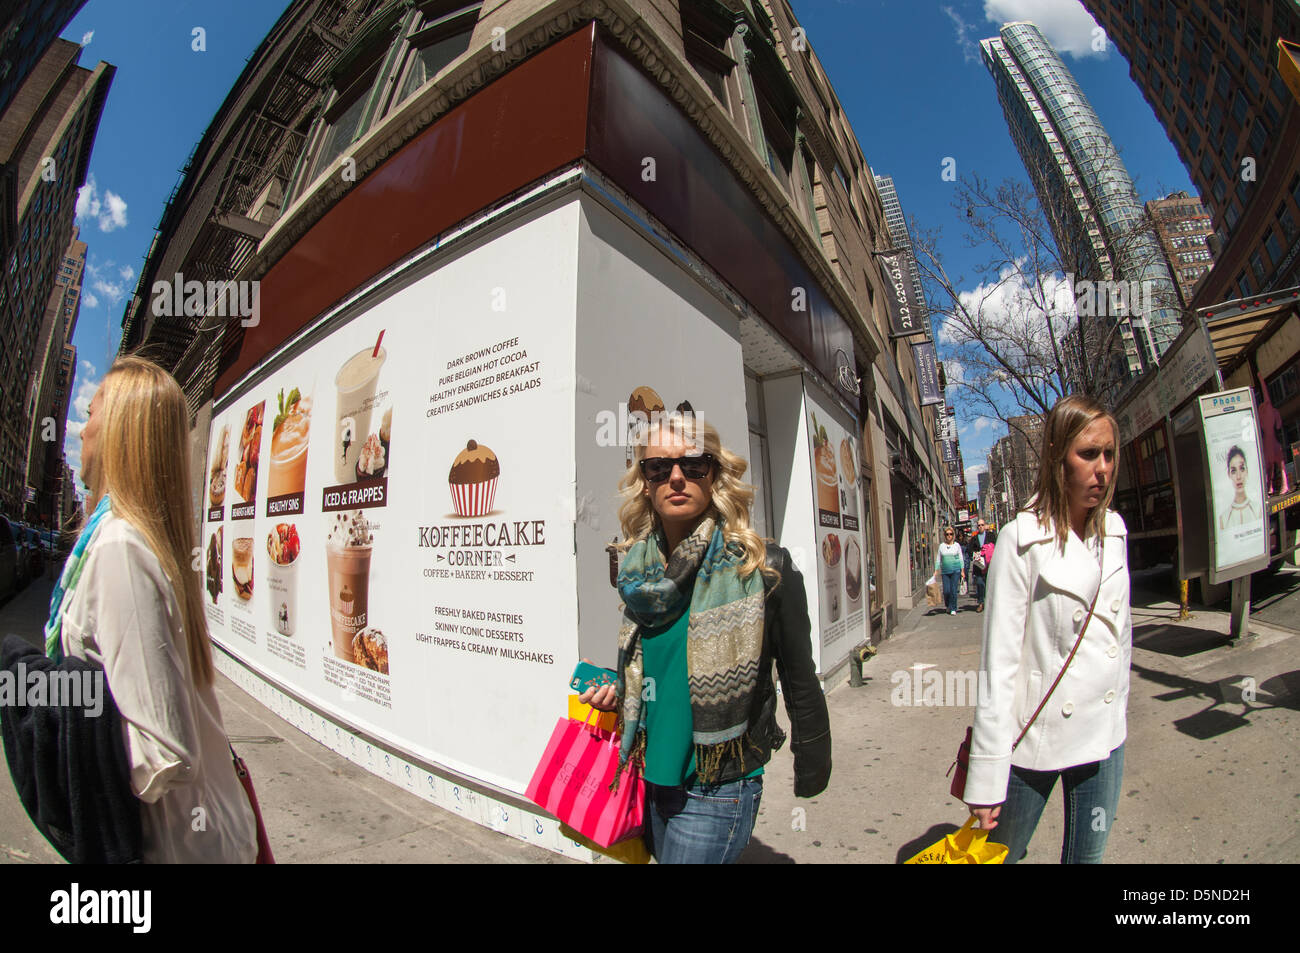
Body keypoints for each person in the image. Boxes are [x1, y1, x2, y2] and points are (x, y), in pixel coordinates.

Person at [581, 411, 831, 863]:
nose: (676, 477)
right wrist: (620, 694)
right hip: (647, 771)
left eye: (693, 464)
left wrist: (812, 756)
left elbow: (799, 675)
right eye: (659, 467)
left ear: (714, 473)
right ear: (645, 482)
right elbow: (656, 670)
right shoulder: (637, 570)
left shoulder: (763, 568)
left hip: (717, 784)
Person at [49, 355, 257, 863]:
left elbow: (162, 753)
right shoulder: (122, 539)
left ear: (119, 426)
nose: (80, 429)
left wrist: (46, 729)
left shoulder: (120, 548)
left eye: (92, 412)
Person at [963, 394, 1129, 864]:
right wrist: (987, 777)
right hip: (1035, 740)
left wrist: (1120, 715)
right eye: (1088, 454)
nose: (1102, 468)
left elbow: (1123, 642)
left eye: (1109, 454)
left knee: (1087, 859)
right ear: (1058, 457)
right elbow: (999, 665)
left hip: (1103, 735)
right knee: (999, 857)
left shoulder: (1114, 531)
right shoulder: (1021, 539)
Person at [1218, 446, 1258, 529]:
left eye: (1242, 468)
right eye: (1233, 471)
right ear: (1229, 474)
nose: (1238, 476)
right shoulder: (1224, 519)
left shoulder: (1258, 510)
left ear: (1247, 471)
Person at [966, 518, 997, 613]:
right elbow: (969, 550)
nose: (980, 527)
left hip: (990, 564)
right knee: (979, 583)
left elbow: (996, 546)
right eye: (979, 525)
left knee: (989, 584)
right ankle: (980, 603)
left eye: (982, 525)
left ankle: (990, 603)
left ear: (985, 526)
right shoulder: (974, 538)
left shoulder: (991, 536)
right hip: (979, 565)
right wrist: (975, 554)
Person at [934, 527, 964, 615]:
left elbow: (961, 558)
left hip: (955, 571)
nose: (949, 536)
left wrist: (962, 570)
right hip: (945, 572)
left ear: (953, 535)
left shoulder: (957, 545)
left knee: (953, 590)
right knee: (946, 591)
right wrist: (936, 570)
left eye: (951, 534)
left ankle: (953, 608)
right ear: (944, 535)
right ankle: (948, 605)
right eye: (947, 534)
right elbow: (938, 559)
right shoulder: (942, 546)